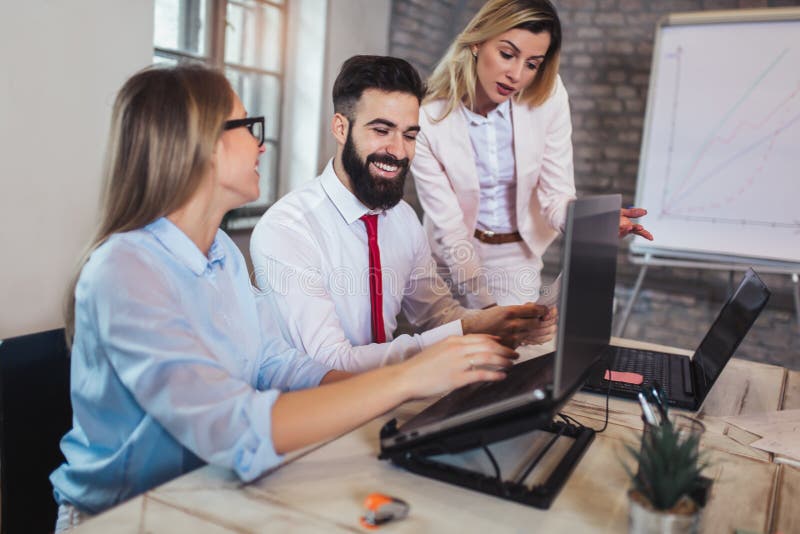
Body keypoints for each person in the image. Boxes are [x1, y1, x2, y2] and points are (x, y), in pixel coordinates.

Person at [49, 64, 520, 530]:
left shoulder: (220, 257)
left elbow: (281, 364)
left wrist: (415, 381)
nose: (260, 141)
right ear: (199, 145)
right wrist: (410, 377)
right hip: (124, 515)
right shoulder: (124, 270)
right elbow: (233, 426)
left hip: (206, 493)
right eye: (247, 126)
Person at [250, 55, 556, 374]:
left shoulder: (402, 218)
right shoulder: (287, 230)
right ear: (341, 128)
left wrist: (499, 322)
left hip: (389, 401)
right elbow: (329, 366)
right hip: (320, 415)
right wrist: (466, 333)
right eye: (382, 131)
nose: (398, 151)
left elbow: (438, 314)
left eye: (409, 135)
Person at [411, 0, 653, 308]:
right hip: (446, 259)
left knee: (518, 353)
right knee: (454, 350)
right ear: (477, 42)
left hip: (515, 258)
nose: (516, 74)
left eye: (532, 64)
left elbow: (556, 198)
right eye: (507, 54)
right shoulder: (428, 119)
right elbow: (450, 230)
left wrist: (592, 224)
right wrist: (487, 309)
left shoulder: (548, 96)